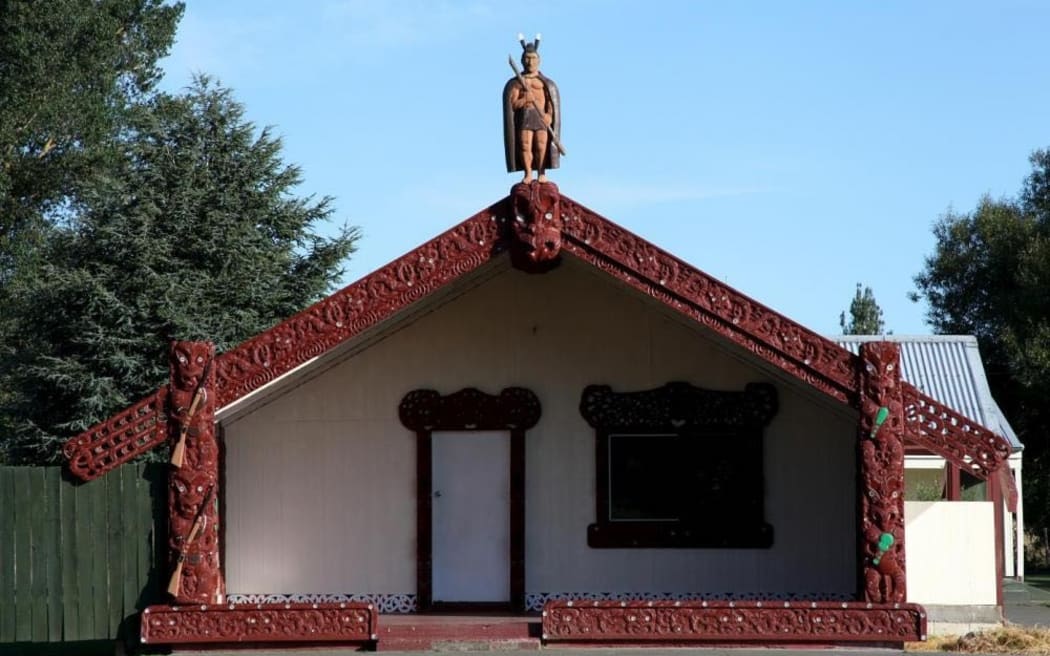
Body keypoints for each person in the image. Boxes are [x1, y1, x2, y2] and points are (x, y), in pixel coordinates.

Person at [503, 35, 560, 183]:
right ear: (522, 60)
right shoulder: (517, 83)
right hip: (525, 116)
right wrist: (524, 100)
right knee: (525, 145)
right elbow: (513, 104)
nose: (530, 62)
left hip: (541, 117)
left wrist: (549, 115)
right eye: (527, 58)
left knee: (541, 145)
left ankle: (541, 172)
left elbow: (550, 101)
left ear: (539, 60)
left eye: (533, 58)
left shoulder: (545, 83)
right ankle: (528, 172)